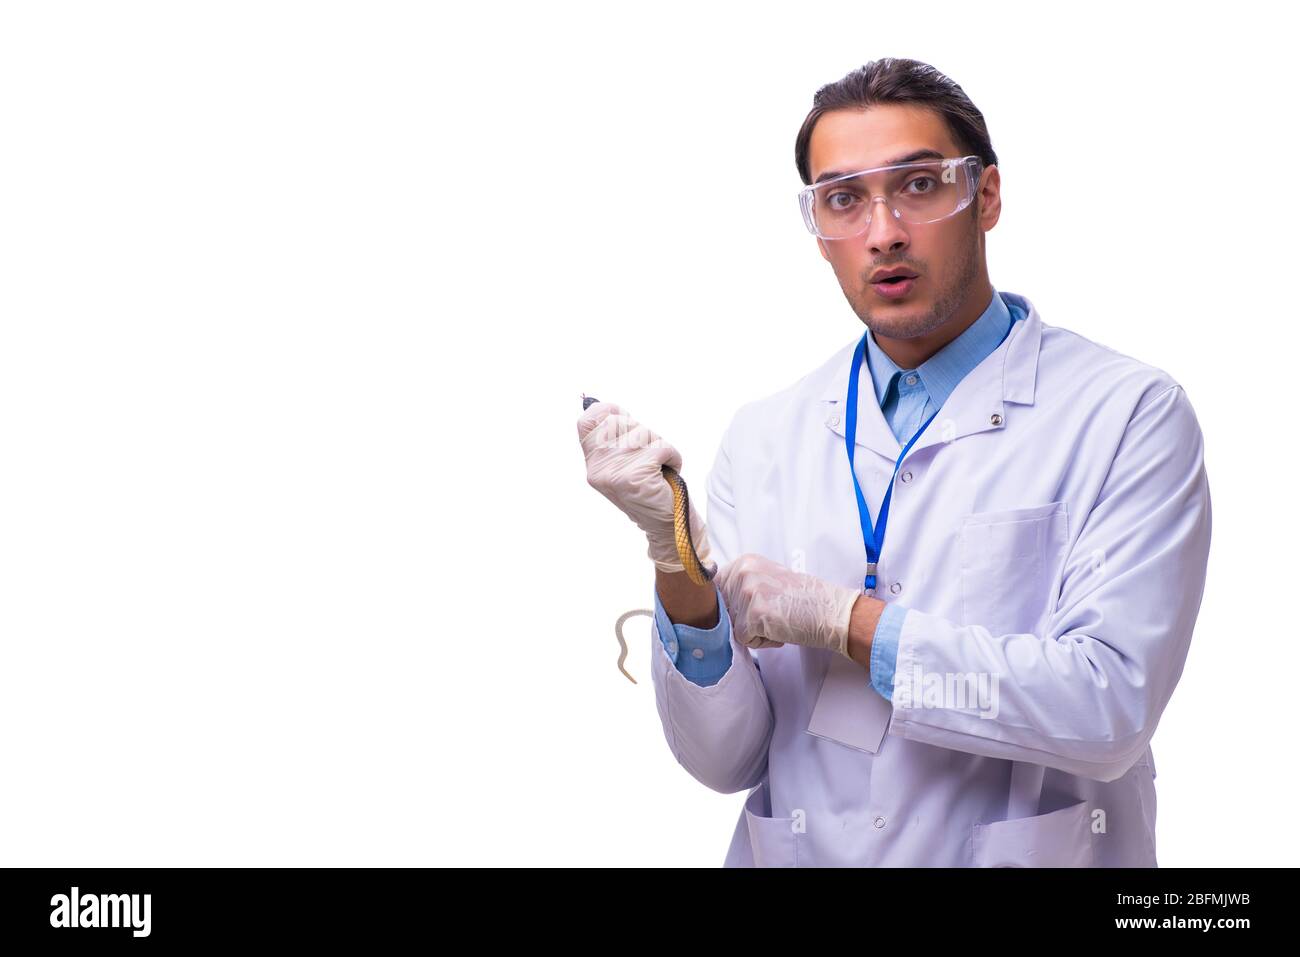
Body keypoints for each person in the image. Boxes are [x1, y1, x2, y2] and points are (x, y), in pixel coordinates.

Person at [576, 57, 1211, 867]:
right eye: (843, 200)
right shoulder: (765, 435)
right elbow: (725, 759)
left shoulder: (1127, 413)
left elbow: (1108, 708)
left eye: (917, 185)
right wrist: (679, 569)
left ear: (985, 196)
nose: (883, 232)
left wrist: (848, 622)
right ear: (819, 229)